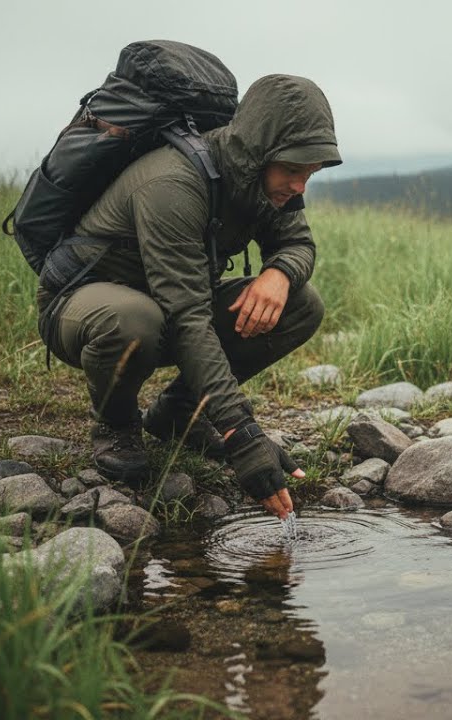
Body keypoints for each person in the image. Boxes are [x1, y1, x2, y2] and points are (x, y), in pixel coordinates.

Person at [36, 74, 340, 520]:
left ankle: (177, 415)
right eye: (293, 171)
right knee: (135, 320)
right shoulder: (172, 184)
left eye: (309, 174)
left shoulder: (265, 183)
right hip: (84, 308)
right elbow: (188, 316)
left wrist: (279, 272)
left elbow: (297, 244)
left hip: (173, 307)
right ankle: (117, 423)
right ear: (257, 152)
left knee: (300, 303)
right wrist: (243, 435)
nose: (300, 186)